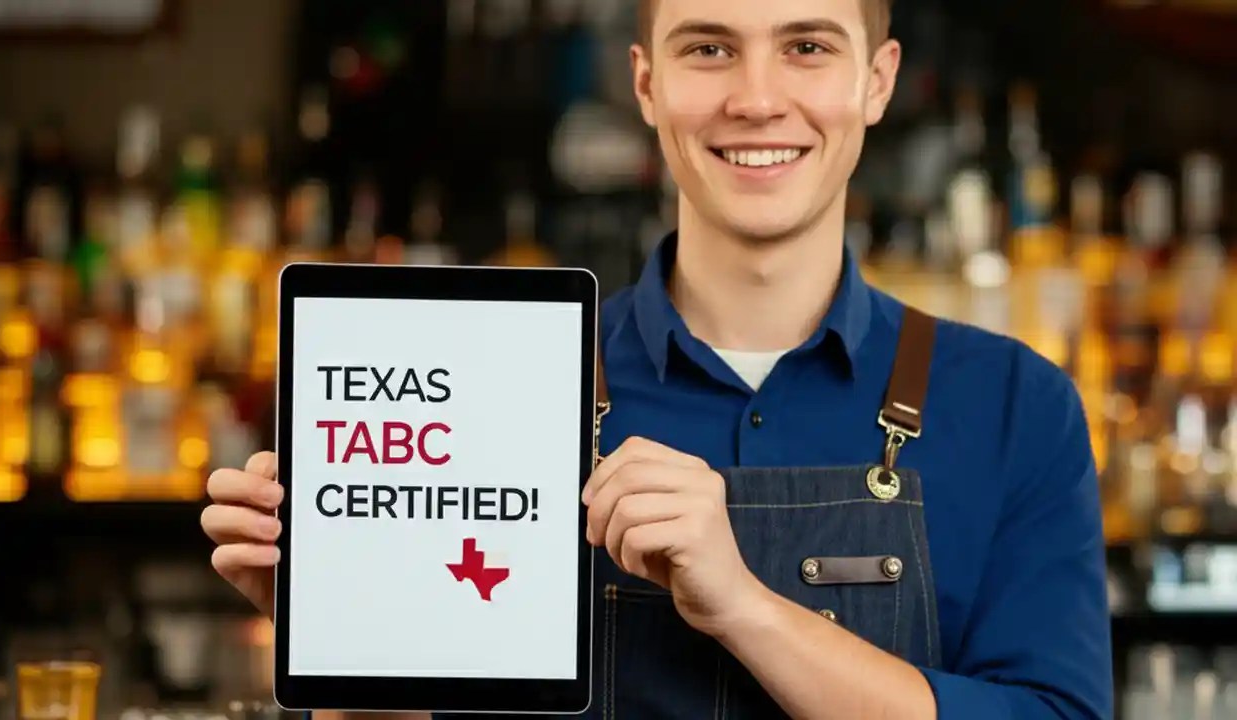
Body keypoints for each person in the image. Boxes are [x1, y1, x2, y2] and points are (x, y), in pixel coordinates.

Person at [201, 0, 1113, 717]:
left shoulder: (1014, 407)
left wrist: (743, 607)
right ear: (645, 84)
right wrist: (345, 636)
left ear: (877, 81)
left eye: (807, 46)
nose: (756, 98)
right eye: (708, 48)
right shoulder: (498, 387)